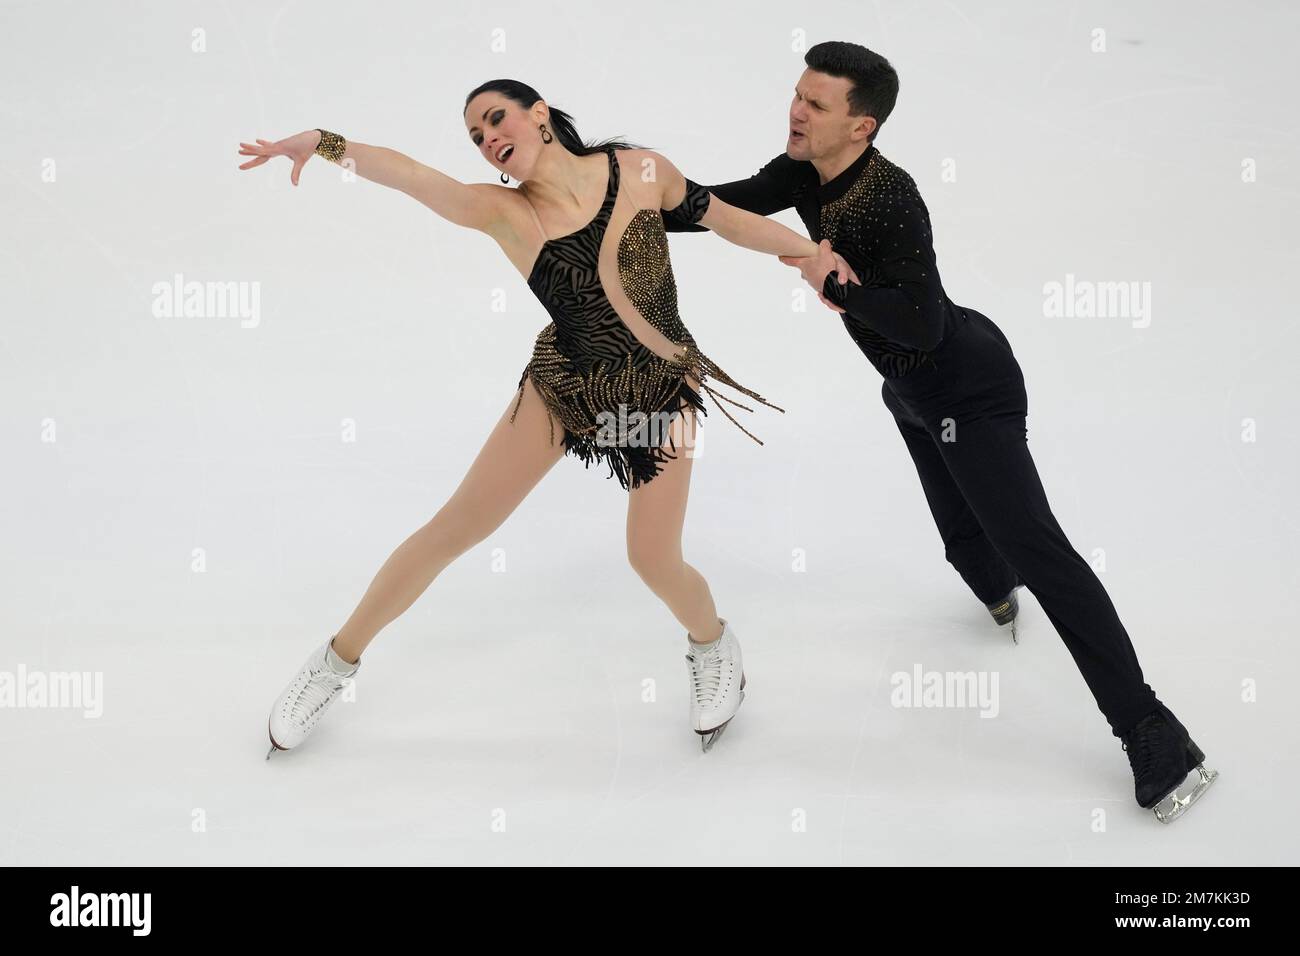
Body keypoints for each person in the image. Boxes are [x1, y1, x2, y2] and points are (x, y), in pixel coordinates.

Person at [661, 41, 1217, 822]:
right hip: (910, 392)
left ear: (862, 125)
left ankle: (1155, 733)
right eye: (797, 94)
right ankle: (994, 588)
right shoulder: (803, 170)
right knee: (969, 550)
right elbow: (728, 204)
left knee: (1042, 554)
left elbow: (920, 324)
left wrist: (838, 285)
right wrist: (626, 191)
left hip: (966, 384)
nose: (796, 110)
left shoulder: (889, 196)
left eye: (816, 105)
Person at [237, 79, 839, 756]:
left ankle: (713, 645)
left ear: (540, 114)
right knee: (452, 529)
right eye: (477, 135)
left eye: (497, 118)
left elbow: (725, 219)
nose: (489, 137)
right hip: (566, 386)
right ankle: (334, 664)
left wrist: (809, 256)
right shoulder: (503, 214)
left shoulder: (641, 172)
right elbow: (407, 174)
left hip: (656, 393)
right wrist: (321, 143)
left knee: (652, 557)